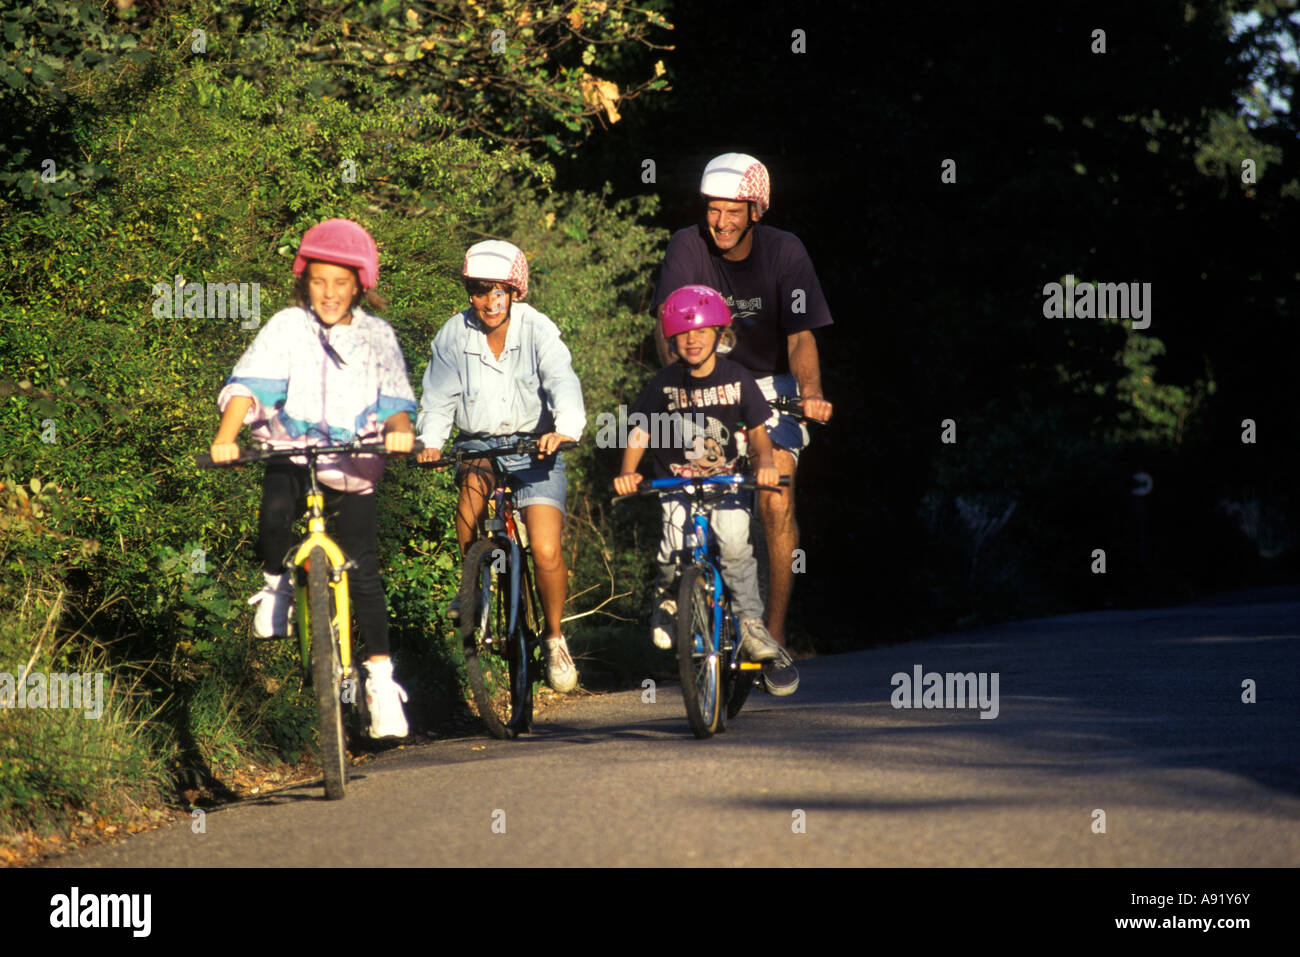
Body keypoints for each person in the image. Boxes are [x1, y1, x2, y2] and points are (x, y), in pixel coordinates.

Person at [209, 217, 417, 738]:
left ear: (359, 285)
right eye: (319, 281)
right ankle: (276, 585)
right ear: (304, 280)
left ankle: (380, 683)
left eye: (340, 283)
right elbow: (249, 384)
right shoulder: (285, 326)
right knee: (275, 518)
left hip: (352, 458)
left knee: (364, 569)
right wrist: (226, 435)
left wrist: (400, 431)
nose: (329, 293)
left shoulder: (377, 336)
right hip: (292, 448)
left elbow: (394, 402)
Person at [649, 153, 834, 695]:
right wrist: (679, 387)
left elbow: (801, 335)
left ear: (756, 209)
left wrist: (813, 393)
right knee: (685, 486)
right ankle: (679, 601)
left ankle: (768, 640)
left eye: (734, 211)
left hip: (771, 390)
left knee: (775, 496)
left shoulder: (786, 252)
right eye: (714, 210)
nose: (722, 222)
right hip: (703, 382)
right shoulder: (688, 245)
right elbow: (669, 324)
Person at [415, 240, 585, 694]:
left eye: (498, 291)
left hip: (536, 449)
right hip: (480, 446)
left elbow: (561, 380)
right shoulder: (453, 334)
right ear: (468, 291)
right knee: (469, 505)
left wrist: (565, 429)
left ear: (514, 291)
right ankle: (471, 585)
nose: (489, 302)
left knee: (546, 549)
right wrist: (431, 443)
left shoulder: (537, 329)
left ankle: (553, 637)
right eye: (478, 291)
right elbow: (438, 397)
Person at [614, 284, 791, 670]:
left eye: (700, 331)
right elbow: (641, 430)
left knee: (734, 547)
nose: (691, 340)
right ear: (671, 339)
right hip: (677, 484)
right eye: (681, 333)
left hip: (726, 484)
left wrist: (765, 463)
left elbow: (759, 432)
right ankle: (666, 603)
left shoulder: (738, 377)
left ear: (720, 334)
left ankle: (750, 624)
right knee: (670, 549)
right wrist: (628, 472)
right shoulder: (663, 383)